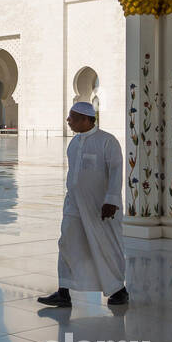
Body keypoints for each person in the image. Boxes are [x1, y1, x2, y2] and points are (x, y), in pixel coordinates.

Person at [38, 100, 129, 308]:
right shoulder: (74, 143)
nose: (68, 121)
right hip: (75, 206)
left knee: (106, 246)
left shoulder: (107, 141)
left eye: (72, 118)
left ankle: (118, 290)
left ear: (86, 119)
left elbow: (116, 171)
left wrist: (112, 199)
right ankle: (64, 291)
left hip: (101, 207)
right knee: (67, 244)